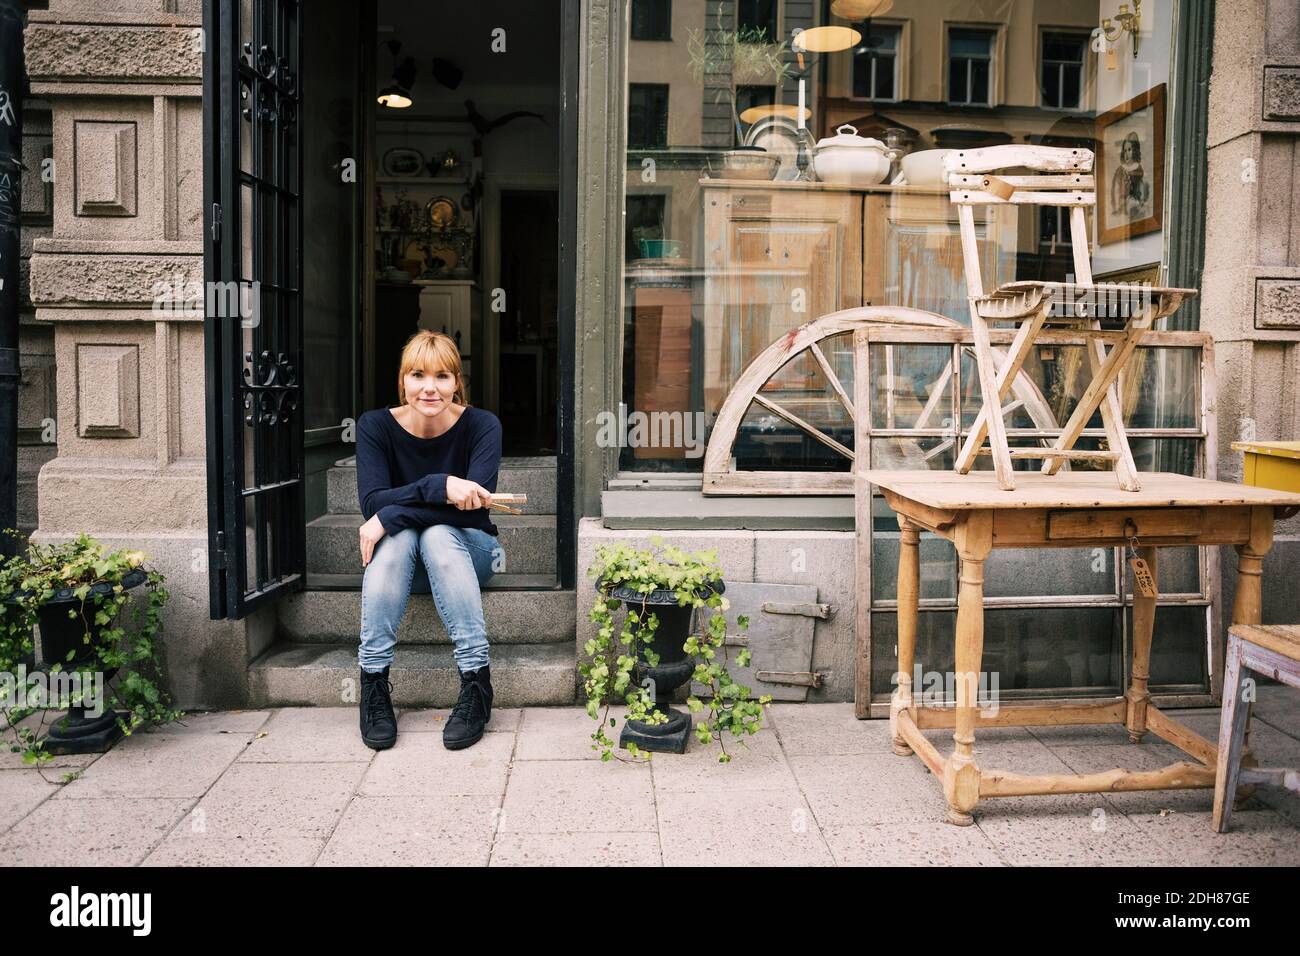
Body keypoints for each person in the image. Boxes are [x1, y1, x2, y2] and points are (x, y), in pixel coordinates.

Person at [353, 330, 505, 752]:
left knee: (437, 534)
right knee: (400, 540)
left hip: (468, 554)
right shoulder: (374, 426)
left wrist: (389, 515)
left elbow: (473, 512)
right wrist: (441, 486)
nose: (429, 388)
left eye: (442, 376)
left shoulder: (482, 426)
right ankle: (374, 685)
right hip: (400, 567)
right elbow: (371, 500)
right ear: (403, 381)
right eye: (418, 375)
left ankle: (476, 684)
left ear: (457, 382)